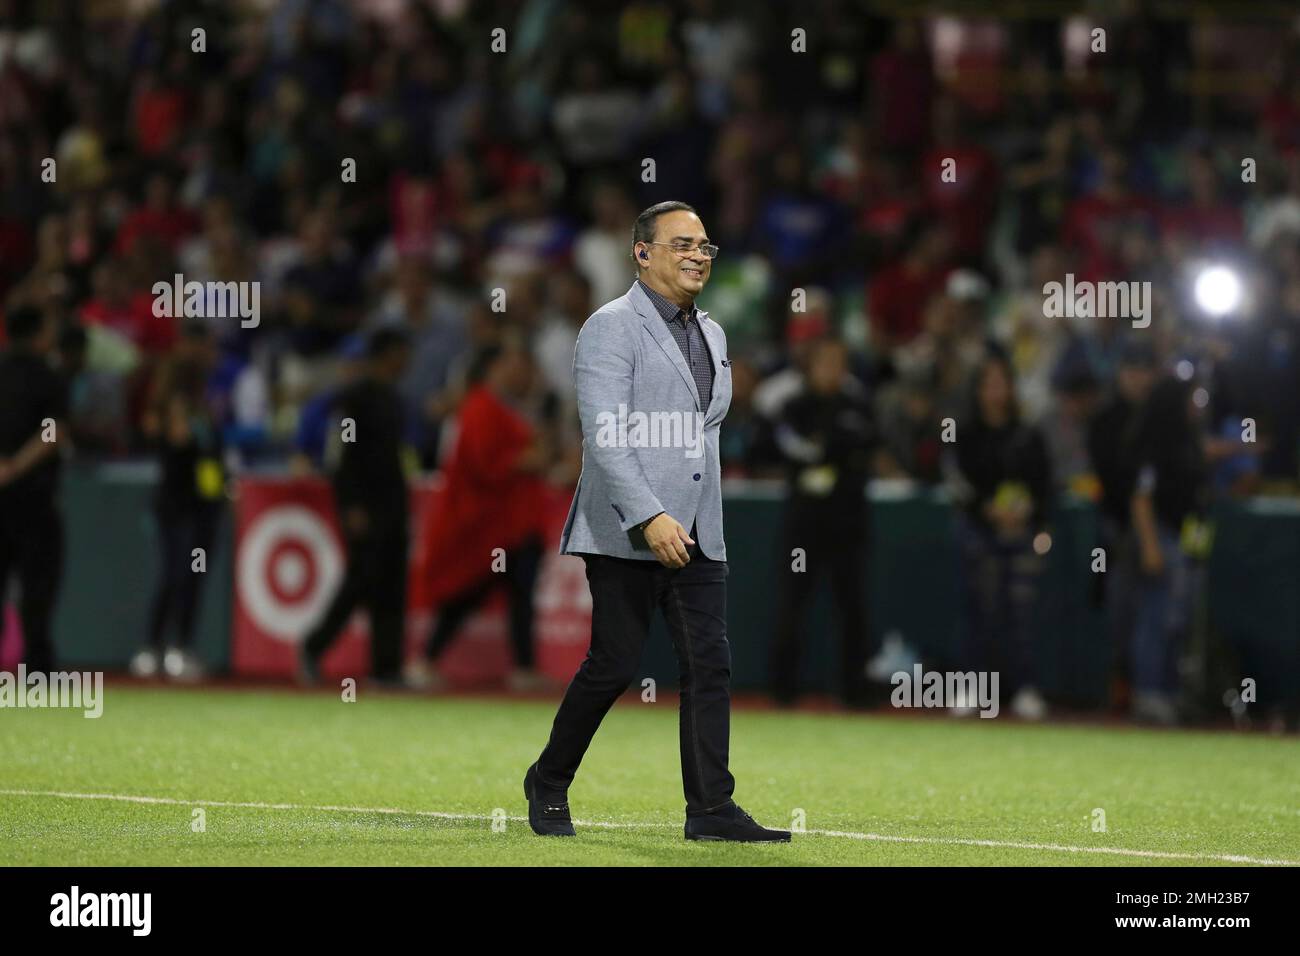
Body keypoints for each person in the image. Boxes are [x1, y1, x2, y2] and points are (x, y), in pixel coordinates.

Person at [525, 201, 789, 842]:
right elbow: (605, 438)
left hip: (700, 529)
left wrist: (695, 519)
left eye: (705, 246)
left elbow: (702, 437)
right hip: (626, 529)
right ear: (642, 253)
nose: (699, 255)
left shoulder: (716, 334)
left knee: (709, 665)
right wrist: (649, 516)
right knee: (614, 664)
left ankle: (711, 809)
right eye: (682, 244)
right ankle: (549, 778)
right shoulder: (610, 327)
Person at [407, 337, 553, 694]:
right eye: (511, 363)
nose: (520, 371)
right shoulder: (480, 408)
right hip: (492, 525)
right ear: (493, 368)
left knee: (513, 596)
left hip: (512, 524)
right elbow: (485, 464)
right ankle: (426, 660)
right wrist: (526, 460)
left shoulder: (504, 407)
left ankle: (522, 667)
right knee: (470, 593)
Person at [768, 336, 879, 708]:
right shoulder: (793, 407)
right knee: (792, 606)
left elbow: (866, 448)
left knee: (853, 608)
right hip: (805, 526)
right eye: (825, 362)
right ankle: (783, 692)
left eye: (838, 362)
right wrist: (835, 450)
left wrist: (832, 451)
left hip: (847, 524)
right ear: (811, 367)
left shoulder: (858, 405)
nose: (832, 370)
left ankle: (855, 693)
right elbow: (793, 448)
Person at [300, 327, 411, 686]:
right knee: (360, 582)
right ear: (387, 354)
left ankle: (386, 669)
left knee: (391, 586)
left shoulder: (392, 398)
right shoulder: (357, 399)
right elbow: (342, 457)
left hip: (393, 505)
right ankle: (313, 646)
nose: (407, 360)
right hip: (366, 506)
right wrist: (350, 505)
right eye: (401, 352)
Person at [951, 351, 1053, 720]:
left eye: (1002, 383)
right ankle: (971, 688)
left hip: (1022, 533)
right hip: (977, 532)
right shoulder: (965, 433)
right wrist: (987, 510)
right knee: (977, 608)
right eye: (988, 384)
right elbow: (958, 484)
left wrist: (1026, 513)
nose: (996, 392)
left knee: (1021, 612)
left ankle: (1024, 688)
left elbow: (1044, 485)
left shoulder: (1027, 434)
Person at [131, 321, 225, 680]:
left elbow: (212, 457)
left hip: (204, 507)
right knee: (173, 575)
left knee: (194, 577)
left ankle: (181, 647)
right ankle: (151, 647)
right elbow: (162, 442)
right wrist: (175, 428)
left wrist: (220, 493)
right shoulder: (166, 405)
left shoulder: (207, 406)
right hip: (175, 507)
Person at [1128, 375, 1209, 725]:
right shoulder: (1154, 443)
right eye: (1191, 399)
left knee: (1180, 621)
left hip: (1190, 540)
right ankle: (1148, 692)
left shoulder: (1189, 440)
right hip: (1163, 537)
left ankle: (1172, 691)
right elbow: (1141, 497)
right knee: (1156, 617)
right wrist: (1150, 546)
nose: (1197, 406)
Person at [1086, 340, 1158, 712]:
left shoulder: (1164, 416)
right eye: (1132, 370)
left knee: (1160, 614)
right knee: (1119, 611)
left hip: (1162, 528)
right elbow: (1113, 476)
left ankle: (1153, 691)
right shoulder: (1106, 419)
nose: (1138, 378)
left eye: (1145, 370)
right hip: (1116, 529)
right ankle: (1118, 689)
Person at [0, 307, 68, 673]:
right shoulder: (47, 375)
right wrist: (14, 467)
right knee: (37, 584)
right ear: (38, 333)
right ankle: (37, 667)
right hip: (33, 497)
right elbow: (50, 433)